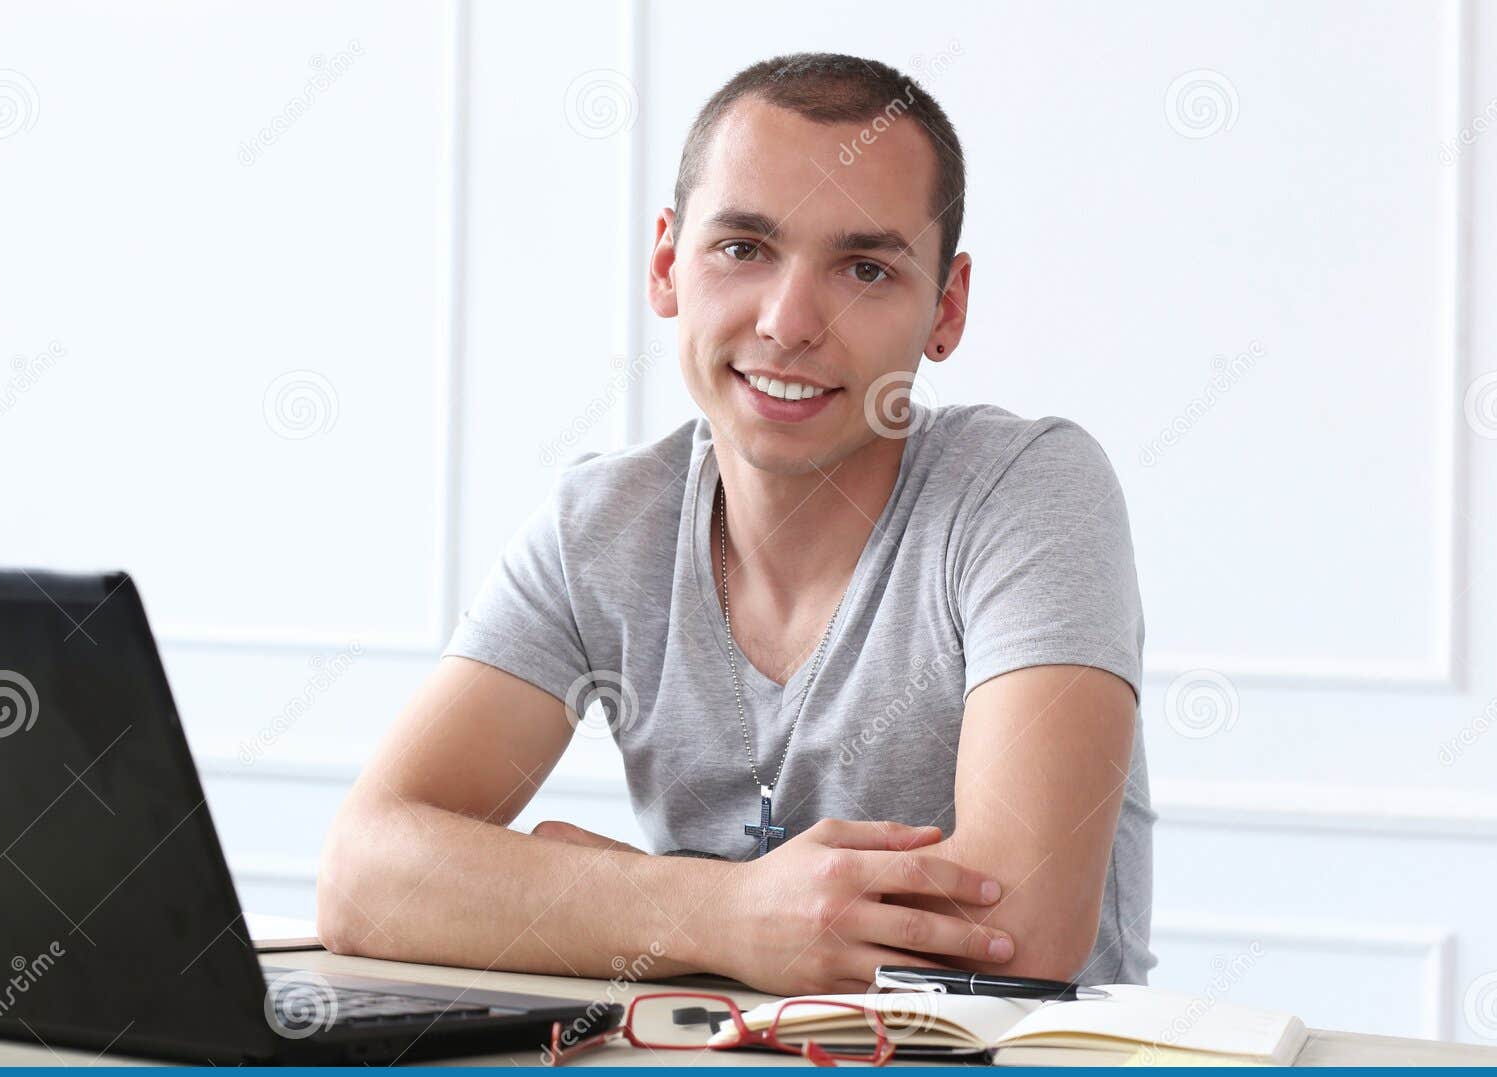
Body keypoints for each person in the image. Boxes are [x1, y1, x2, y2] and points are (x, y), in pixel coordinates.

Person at [318, 51, 1155, 995]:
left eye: (866, 268)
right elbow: (365, 873)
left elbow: (1017, 933)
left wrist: (592, 890)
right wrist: (725, 911)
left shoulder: (1026, 490)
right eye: (744, 249)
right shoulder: (602, 522)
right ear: (669, 264)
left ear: (945, 310)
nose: (790, 321)